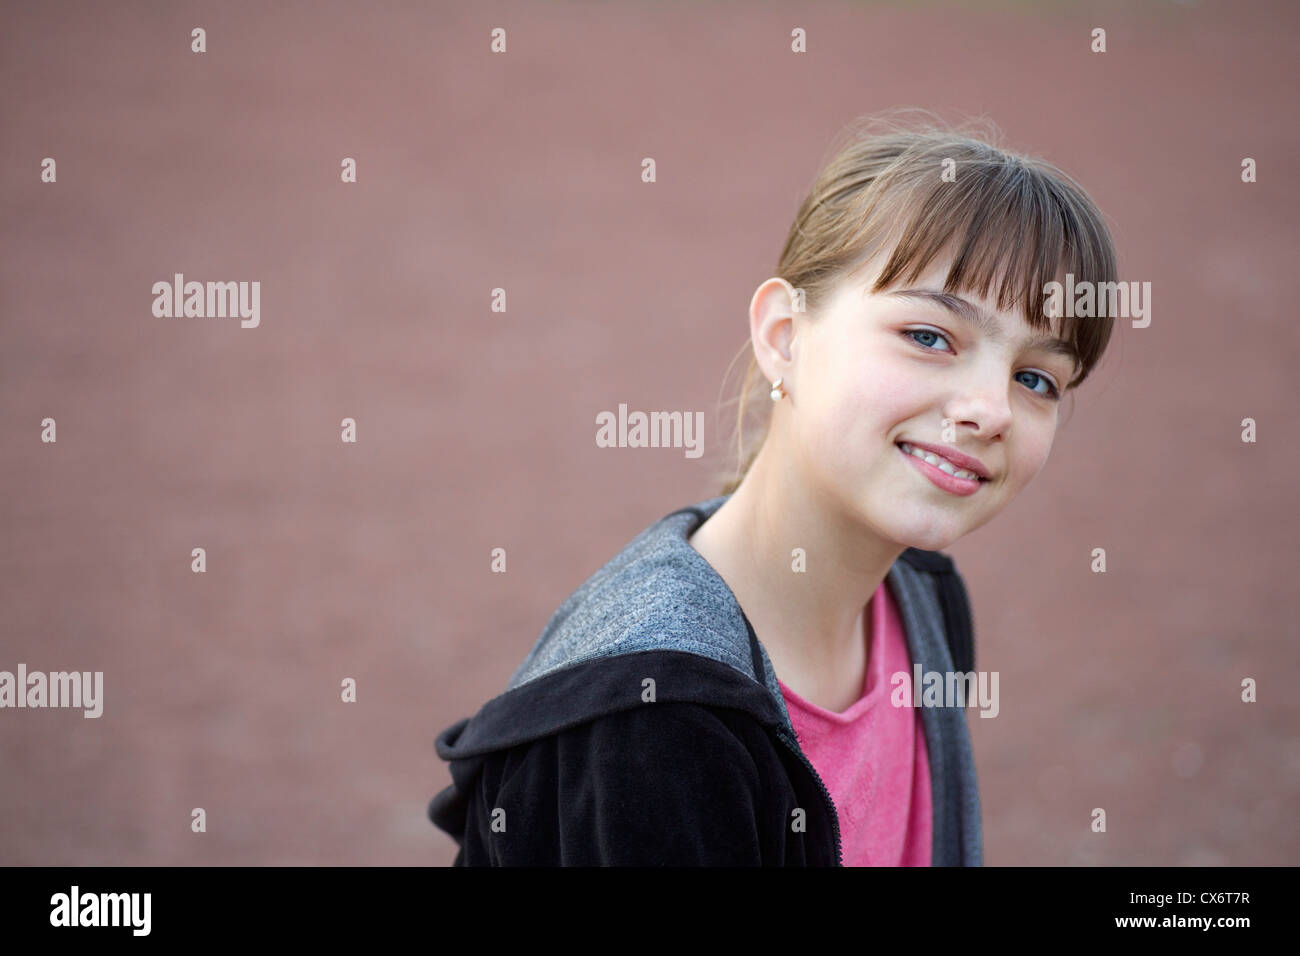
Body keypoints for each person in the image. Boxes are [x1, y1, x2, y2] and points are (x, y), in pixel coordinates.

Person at [428, 110, 1119, 866]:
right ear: (785, 336)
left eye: (1035, 379)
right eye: (929, 336)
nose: (990, 409)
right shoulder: (657, 719)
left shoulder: (922, 596)